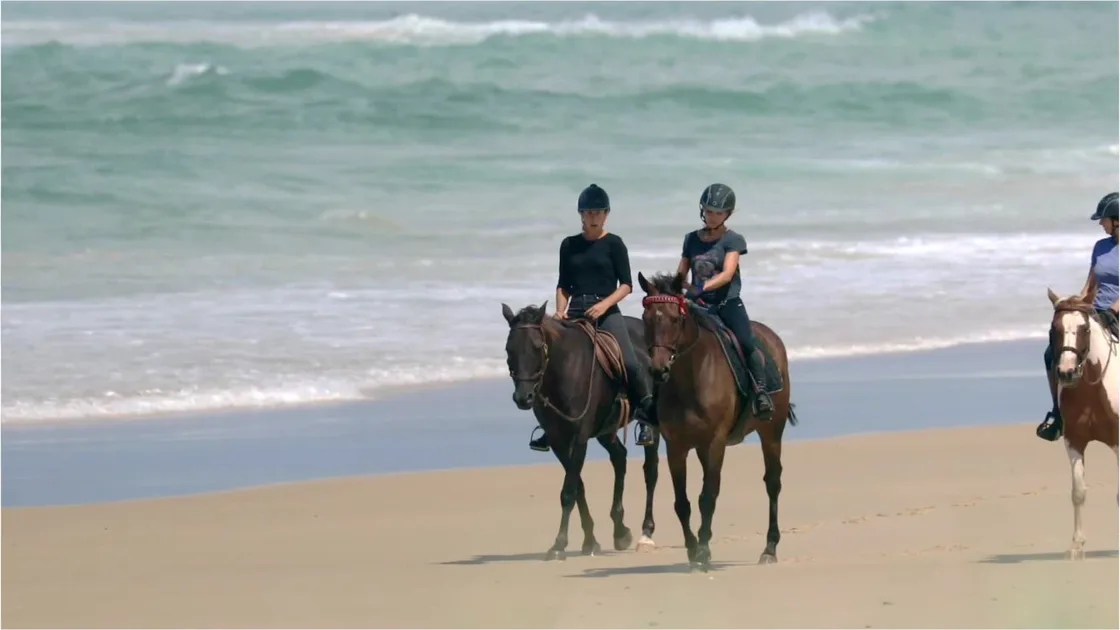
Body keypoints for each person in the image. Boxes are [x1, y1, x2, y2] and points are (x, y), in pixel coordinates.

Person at [529, 184, 657, 451]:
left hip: (607, 310)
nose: (594, 216)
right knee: (548, 356)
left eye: (598, 212)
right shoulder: (569, 245)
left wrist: (604, 305)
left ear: (606, 215)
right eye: (589, 212)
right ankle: (548, 423)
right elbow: (563, 284)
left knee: (631, 363)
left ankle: (646, 416)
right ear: (581, 215)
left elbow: (626, 285)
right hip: (575, 310)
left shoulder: (614, 244)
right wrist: (560, 310)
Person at [675, 183, 774, 420]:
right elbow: (681, 271)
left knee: (747, 342)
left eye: (718, 213)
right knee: (666, 340)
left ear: (727, 214)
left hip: (726, 303)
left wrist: (700, 287)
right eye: (708, 211)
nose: (712, 217)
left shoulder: (733, 240)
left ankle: (760, 391)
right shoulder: (690, 239)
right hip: (697, 304)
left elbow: (727, 273)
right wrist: (674, 290)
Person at [1037, 191, 1119, 442]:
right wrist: (1079, 303)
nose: (1100, 224)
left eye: (1103, 219)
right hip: (1097, 310)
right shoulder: (1101, 247)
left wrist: (1115, 309)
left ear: (1117, 220)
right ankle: (1058, 413)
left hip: (1115, 311)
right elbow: (1092, 280)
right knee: (1055, 350)